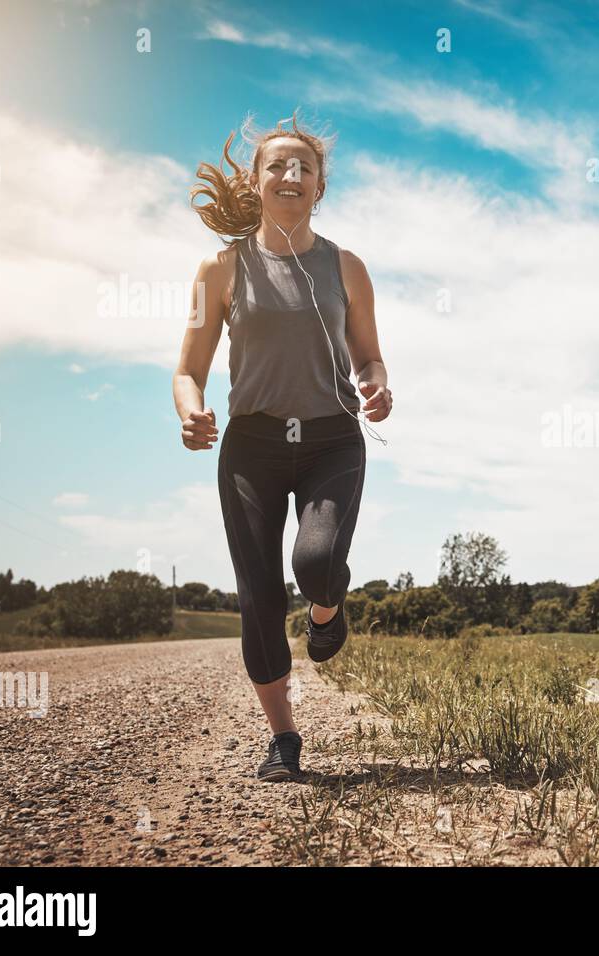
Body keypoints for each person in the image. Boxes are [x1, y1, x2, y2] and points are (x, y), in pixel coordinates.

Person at [172, 111, 392, 781]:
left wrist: (378, 387)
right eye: (278, 164)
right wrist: (191, 413)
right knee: (260, 596)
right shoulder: (220, 269)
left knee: (317, 560)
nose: (291, 174)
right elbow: (188, 370)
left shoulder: (347, 267)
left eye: (305, 167)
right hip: (253, 446)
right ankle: (284, 740)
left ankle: (328, 612)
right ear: (256, 179)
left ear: (319, 186)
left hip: (331, 438)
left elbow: (371, 359)